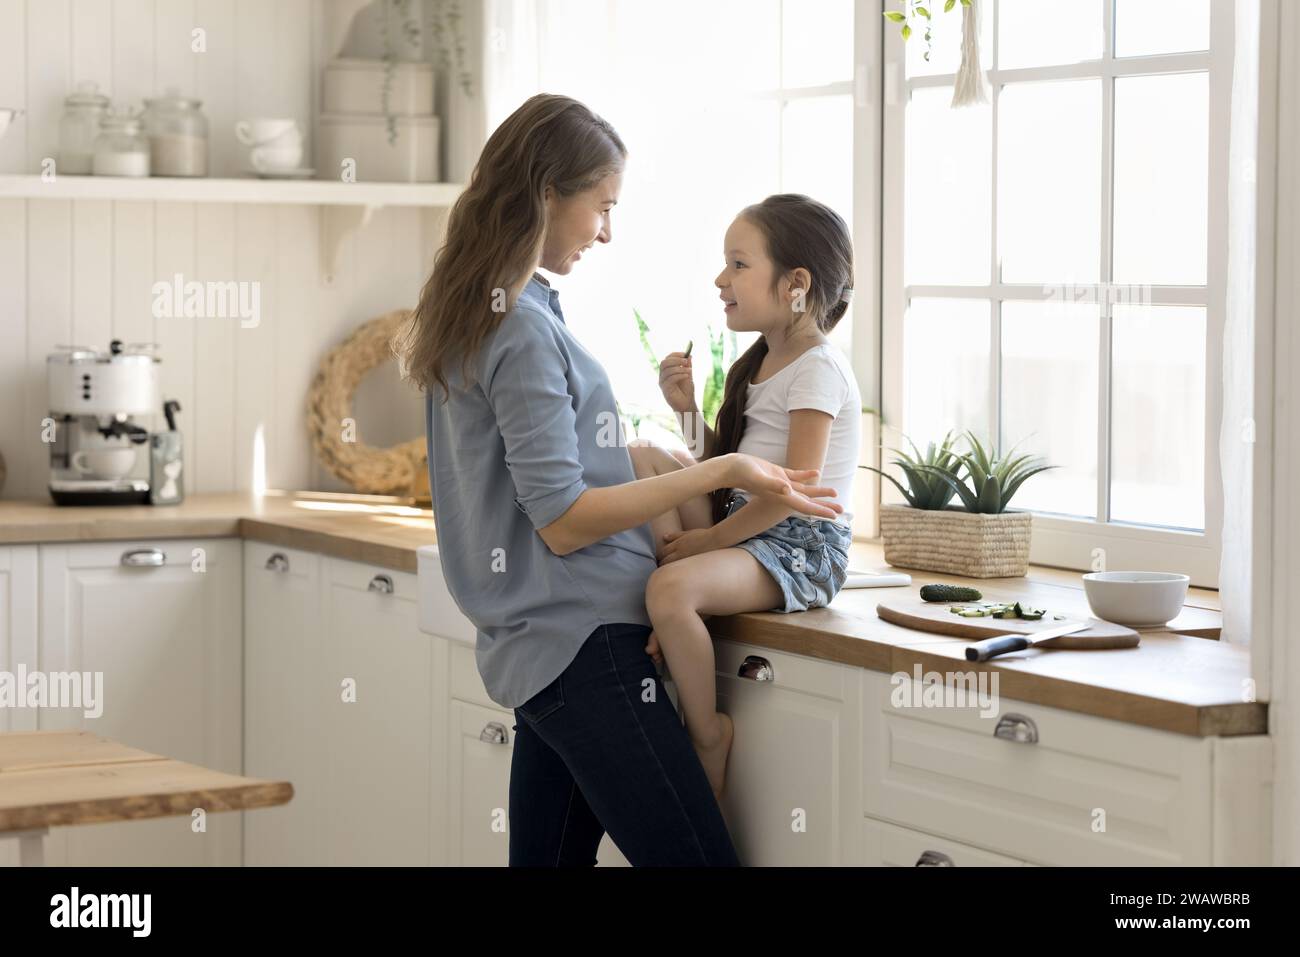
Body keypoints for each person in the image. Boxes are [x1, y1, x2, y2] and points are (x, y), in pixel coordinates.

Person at [401, 94, 842, 866]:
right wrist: (726, 466)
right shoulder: (524, 329)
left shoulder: (476, 312)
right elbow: (565, 519)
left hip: (539, 652)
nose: (606, 231)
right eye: (601, 206)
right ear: (546, 193)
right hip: (589, 647)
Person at [628, 194, 861, 798]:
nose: (720, 279)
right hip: (745, 524)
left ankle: (707, 732)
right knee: (640, 455)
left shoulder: (817, 368)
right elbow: (720, 469)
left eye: (737, 264)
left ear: (795, 283)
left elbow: (791, 494)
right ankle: (676, 609)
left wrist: (703, 543)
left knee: (668, 586)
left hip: (800, 546)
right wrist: (685, 411)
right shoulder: (759, 363)